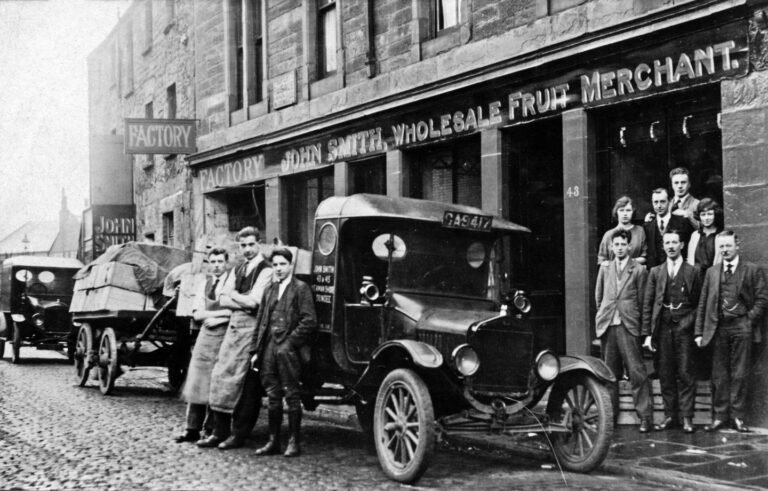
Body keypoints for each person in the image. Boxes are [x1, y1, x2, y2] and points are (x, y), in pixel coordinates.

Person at [197, 227, 272, 449]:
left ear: (259, 243)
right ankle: (219, 432)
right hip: (233, 329)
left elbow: (254, 303)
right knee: (220, 376)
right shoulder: (238, 268)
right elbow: (223, 299)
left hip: (253, 331)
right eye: (243, 245)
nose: (247, 249)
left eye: (251, 244)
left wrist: (234, 296)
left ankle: (239, 433)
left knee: (246, 385)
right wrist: (239, 298)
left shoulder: (266, 270)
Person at [695, 230, 768, 432]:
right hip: (718, 327)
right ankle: (720, 416)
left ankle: (737, 417)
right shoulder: (712, 272)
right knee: (719, 374)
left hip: (741, 327)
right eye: (722, 247)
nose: (725, 250)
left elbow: (762, 299)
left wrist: (748, 320)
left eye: (728, 246)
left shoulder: (751, 270)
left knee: (740, 373)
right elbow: (703, 303)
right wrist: (699, 331)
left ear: (737, 245)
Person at [252, 248, 317, 457]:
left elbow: (309, 320)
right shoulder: (269, 289)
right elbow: (261, 321)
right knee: (272, 395)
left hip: (288, 349)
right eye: (275, 265)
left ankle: (294, 442)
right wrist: (256, 350)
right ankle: (273, 441)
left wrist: (290, 342)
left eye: (282, 264)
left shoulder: (301, 289)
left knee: (291, 394)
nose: (278, 269)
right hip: (269, 347)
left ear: (290, 266)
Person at [642, 230, 702, 433]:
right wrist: (648, 334)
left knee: (685, 372)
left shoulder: (693, 271)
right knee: (665, 372)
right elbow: (648, 305)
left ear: (682, 245)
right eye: (667, 242)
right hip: (663, 328)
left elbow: (699, 305)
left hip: (684, 328)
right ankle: (670, 416)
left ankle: (687, 418)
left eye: (674, 242)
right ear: (663, 246)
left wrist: (689, 323)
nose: (671, 246)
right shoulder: (656, 272)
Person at [595, 229, 653, 432]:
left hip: (629, 325)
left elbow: (644, 301)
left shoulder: (638, 269)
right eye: (616, 244)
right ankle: (610, 417)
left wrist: (643, 329)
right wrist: (604, 316)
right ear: (611, 246)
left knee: (637, 372)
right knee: (609, 374)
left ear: (629, 246)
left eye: (623, 244)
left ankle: (645, 416)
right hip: (609, 325)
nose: (619, 248)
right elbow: (599, 297)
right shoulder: (605, 268)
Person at [174, 248, 232, 443]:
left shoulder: (231, 284)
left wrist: (215, 318)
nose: (216, 265)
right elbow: (197, 314)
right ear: (208, 264)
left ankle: (211, 429)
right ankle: (191, 429)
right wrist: (220, 315)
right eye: (213, 261)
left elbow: (235, 312)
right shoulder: (203, 285)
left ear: (226, 263)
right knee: (197, 380)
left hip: (225, 336)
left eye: (220, 261)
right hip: (205, 336)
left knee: (215, 383)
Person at [643, 188, 694, 268]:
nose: (659, 206)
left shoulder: (682, 222)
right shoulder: (648, 226)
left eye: (662, 201)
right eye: (655, 202)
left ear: (670, 202)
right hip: (655, 272)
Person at [597, 196, 647, 266]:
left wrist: (628, 262)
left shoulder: (640, 231)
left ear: (633, 212)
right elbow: (602, 260)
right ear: (616, 212)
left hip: (635, 272)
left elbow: (645, 256)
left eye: (628, 210)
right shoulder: (608, 234)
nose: (625, 214)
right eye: (621, 210)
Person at [687, 198, 723, 270]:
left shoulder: (720, 235)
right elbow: (690, 260)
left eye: (710, 214)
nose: (706, 218)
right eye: (703, 215)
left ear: (715, 214)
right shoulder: (695, 235)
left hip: (713, 276)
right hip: (696, 277)